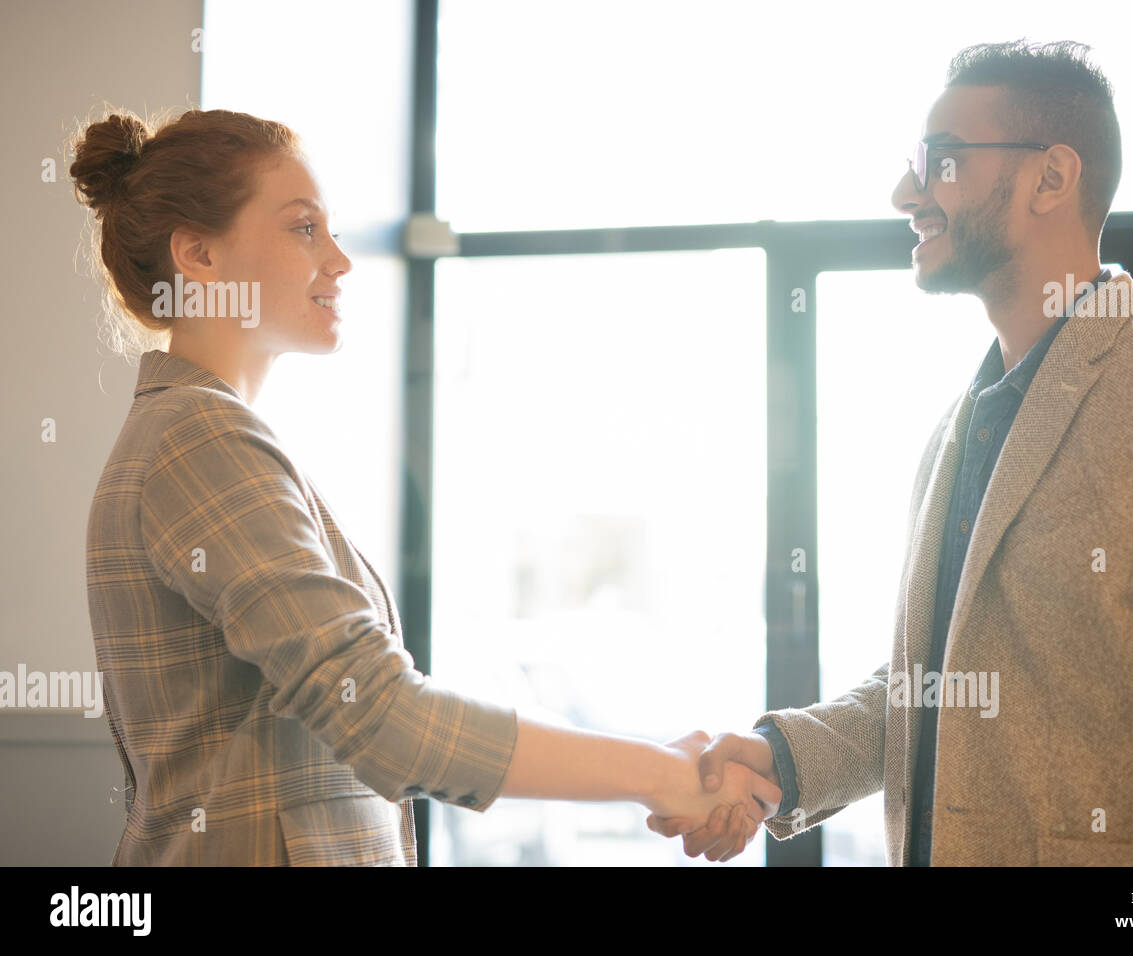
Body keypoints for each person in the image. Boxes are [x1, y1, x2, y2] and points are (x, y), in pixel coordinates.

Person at [649, 39, 1133, 865]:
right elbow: (937, 690)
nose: (904, 192)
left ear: (1051, 178)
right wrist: (779, 758)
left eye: (941, 160)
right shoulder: (956, 431)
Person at [74, 107, 779, 866]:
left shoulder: (204, 432)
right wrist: (664, 774)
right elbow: (382, 717)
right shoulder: (202, 439)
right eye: (303, 227)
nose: (339, 260)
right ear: (199, 255)